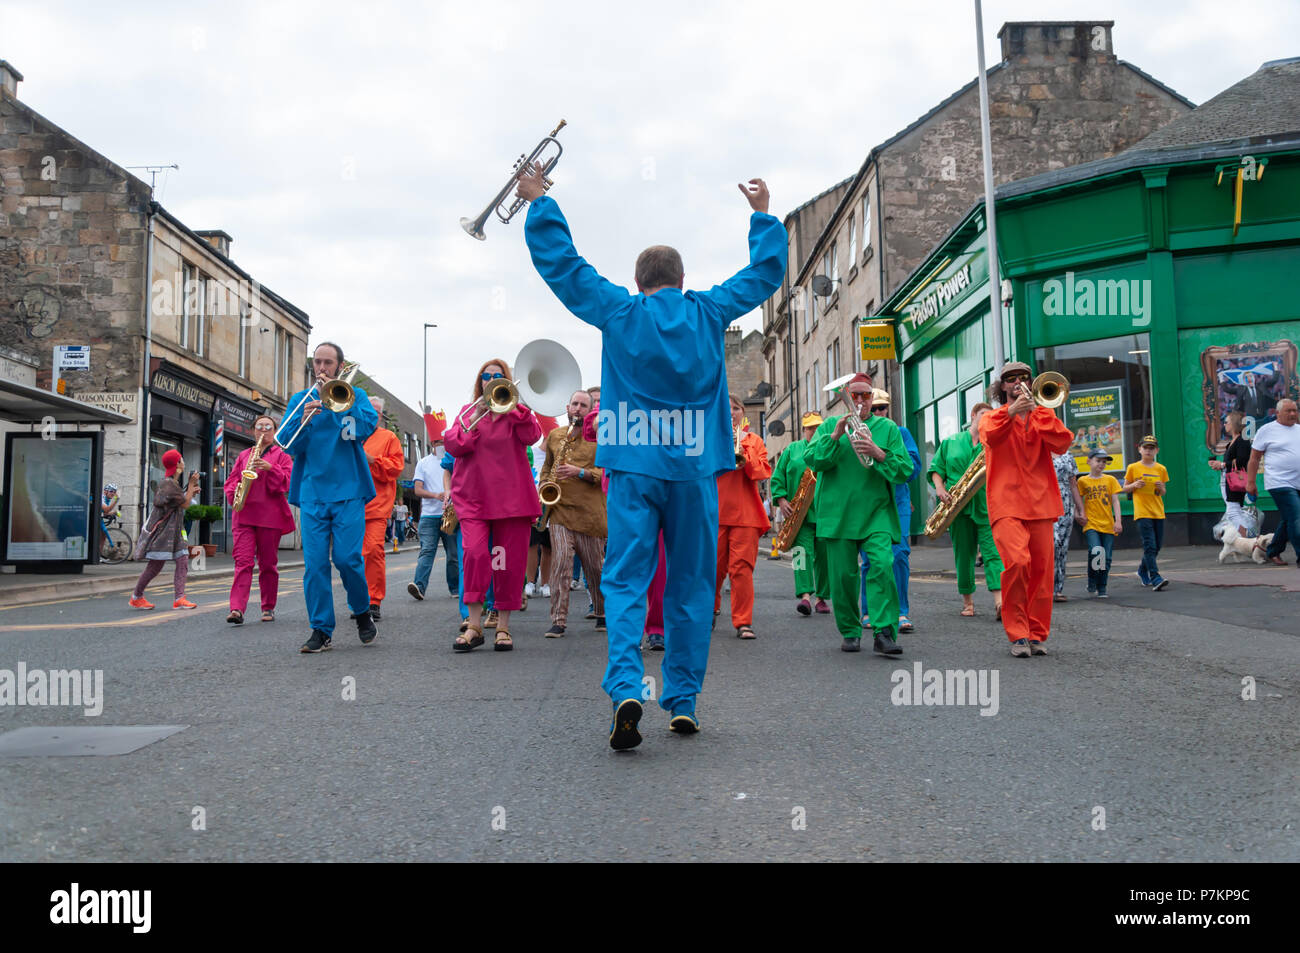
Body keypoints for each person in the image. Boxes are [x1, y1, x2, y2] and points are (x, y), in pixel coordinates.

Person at [521, 168, 786, 748]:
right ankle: (683, 698)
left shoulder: (620, 312)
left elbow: (566, 268)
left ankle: (625, 688)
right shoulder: (708, 311)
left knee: (625, 581)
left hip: (634, 467)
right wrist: (762, 214)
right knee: (691, 584)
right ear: (681, 279)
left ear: (638, 283)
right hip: (694, 469)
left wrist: (542, 204)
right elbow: (764, 275)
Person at [280, 341, 379, 653]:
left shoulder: (356, 396)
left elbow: (360, 431)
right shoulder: (300, 400)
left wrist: (340, 404)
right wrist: (303, 420)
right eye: (317, 363)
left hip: (348, 491)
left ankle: (362, 611)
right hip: (312, 493)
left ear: (339, 366)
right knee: (315, 564)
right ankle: (321, 629)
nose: (321, 368)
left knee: (348, 559)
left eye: (327, 363)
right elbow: (287, 443)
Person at [808, 372, 914, 655]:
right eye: (853, 395)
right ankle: (850, 631)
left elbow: (905, 470)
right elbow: (813, 460)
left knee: (881, 565)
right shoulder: (830, 425)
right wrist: (834, 436)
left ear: (872, 397)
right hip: (837, 513)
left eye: (865, 395)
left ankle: (883, 632)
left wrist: (879, 453)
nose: (859, 400)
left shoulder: (888, 428)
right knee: (843, 577)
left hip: (875, 513)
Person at [444, 357, 542, 653]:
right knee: (474, 554)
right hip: (474, 499)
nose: (490, 379)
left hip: (511, 503)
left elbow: (533, 436)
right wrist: (477, 417)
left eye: (497, 375)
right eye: (485, 375)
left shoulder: (516, 412)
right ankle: (474, 625)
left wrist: (518, 409)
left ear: (507, 381)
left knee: (508, 563)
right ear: (480, 381)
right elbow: (454, 445)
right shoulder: (468, 412)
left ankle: (503, 627)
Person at [979, 362, 1074, 657]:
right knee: (1018, 563)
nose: (1017, 383)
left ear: (1031, 384)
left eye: (1023, 379)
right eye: (1010, 379)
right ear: (1002, 387)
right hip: (1006, 503)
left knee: (1042, 572)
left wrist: (1034, 412)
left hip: (1041, 503)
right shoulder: (992, 417)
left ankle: (1035, 634)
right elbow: (989, 437)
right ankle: (1017, 634)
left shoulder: (1044, 413)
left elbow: (1062, 442)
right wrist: (1012, 412)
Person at [927, 401, 1003, 618]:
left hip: (986, 505)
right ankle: (968, 603)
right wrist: (940, 489)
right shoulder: (951, 441)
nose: (987, 420)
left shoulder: (993, 443)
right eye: (984, 416)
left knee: (993, 554)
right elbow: (936, 469)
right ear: (973, 415)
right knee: (964, 556)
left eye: (991, 417)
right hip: (956, 506)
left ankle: (1000, 603)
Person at [541, 389, 607, 637]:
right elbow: (547, 468)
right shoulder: (556, 436)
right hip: (559, 511)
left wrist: (579, 472)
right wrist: (543, 487)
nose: (578, 408)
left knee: (595, 569)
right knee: (560, 566)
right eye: (574, 404)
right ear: (567, 408)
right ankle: (558, 620)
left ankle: (601, 612)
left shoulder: (600, 437)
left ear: (591, 411)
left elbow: (605, 475)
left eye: (583, 405)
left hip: (591, 514)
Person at [860, 389, 922, 631]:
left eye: (882, 407)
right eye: (874, 408)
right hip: (870, 503)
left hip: (897, 501)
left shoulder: (900, 432)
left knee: (899, 555)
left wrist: (882, 453)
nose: (878, 412)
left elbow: (914, 468)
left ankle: (900, 611)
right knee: (870, 559)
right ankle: (868, 611)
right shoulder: (856, 433)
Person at [223, 416, 295, 623]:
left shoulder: (282, 456)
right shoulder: (244, 455)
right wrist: (235, 494)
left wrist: (270, 468)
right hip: (244, 514)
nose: (263, 430)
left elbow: (287, 483)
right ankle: (237, 609)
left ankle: (268, 607)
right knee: (243, 562)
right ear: (253, 431)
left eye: (268, 427)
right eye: (259, 427)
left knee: (268, 564)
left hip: (269, 517)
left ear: (274, 432)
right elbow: (231, 480)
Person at [714, 395, 772, 639]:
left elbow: (762, 472)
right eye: (726, 409)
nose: (731, 413)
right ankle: (710, 611)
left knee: (742, 569)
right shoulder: (710, 438)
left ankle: (742, 622)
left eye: (736, 409)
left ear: (743, 413)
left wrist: (744, 454)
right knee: (712, 569)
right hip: (714, 512)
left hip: (746, 514)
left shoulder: (754, 440)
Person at [771, 412, 831, 616]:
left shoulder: (828, 448)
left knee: (824, 558)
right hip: (798, 514)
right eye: (810, 428)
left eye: (817, 427)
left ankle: (822, 598)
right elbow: (777, 475)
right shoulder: (791, 450)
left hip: (824, 513)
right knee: (800, 555)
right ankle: (805, 596)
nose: (814, 431)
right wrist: (781, 499)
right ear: (803, 429)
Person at [130, 449, 201, 610]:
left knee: (182, 560)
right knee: (155, 566)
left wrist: (189, 491)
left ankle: (179, 598)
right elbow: (184, 504)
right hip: (163, 532)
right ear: (177, 464)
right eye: (181, 460)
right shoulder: (168, 484)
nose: (183, 462)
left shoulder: (171, 484)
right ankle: (137, 596)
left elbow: (178, 501)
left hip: (173, 531)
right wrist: (190, 485)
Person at [361, 396, 404, 621]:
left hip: (377, 505)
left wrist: (372, 460)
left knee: (373, 550)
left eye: (375, 413)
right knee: (350, 556)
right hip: (349, 504)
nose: (370, 416)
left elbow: (396, 468)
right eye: (367, 411)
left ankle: (373, 600)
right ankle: (360, 600)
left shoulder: (389, 437)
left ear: (381, 416)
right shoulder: (351, 434)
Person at [408, 423, 459, 600]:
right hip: (429, 516)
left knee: (453, 554)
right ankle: (419, 587)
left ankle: (455, 588)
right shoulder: (423, 463)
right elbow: (417, 490)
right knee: (427, 550)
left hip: (449, 513)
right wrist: (435, 495)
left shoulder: (453, 459)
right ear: (432, 442)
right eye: (437, 441)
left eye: (443, 441)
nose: (441, 445)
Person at [1248, 398, 1300, 567]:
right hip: (1279, 483)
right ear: (1277, 413)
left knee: (1290, 518)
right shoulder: (1267, 430)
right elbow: (1254, 458)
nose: (1293, 414)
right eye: (1288, 411)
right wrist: (1251, 482)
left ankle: (1273, 551)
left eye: (1295, 410)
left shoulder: (1299, 429)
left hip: (1298, 482)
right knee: (1297, 518)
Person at [1123, 435, 1171, 591]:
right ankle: (1155, 577)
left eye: (1151, 448)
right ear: (1139, 449)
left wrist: (1161, 488)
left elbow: (1163, 492)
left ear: (1156, 450)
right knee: (1149, 545)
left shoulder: (1161, 469)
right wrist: (1135, 485)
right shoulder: (1133, 467)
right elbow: (1124, 488)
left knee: (1156, 547)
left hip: (1158, 511)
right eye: (1145, 448)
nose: (1148, 451)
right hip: (1142, 512)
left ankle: (1142, 570)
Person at [1076, 450, 1122, 597]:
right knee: (1097, 552)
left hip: (1108, 524)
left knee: (1106, 557)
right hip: (1091, 524)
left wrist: (1118, 521)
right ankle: (1092, 580)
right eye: (1098, 460)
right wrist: (1078, 514)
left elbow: (1115, 501)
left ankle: (1101, 586)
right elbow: (1078, 501)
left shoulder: (1110, 480)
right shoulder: (1082, 481)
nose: (1101, 464)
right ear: (1089, 461)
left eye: (1104, 461)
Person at [1209, 411, 1255, 537]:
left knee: (1233, 512)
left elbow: (1243, 460)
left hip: (1235, 480)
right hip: (1227, 480)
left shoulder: (1242, 441)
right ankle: (1247, 540)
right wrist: (1219, 466)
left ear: (1234, 423)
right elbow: (1232, 462)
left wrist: (1223, 465)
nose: (1224, 425)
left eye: (1226, 422)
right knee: (1235, 511)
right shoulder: (1232, 442)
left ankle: (1249, 539)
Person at [1052, 451, 1082, 602]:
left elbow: (1073, 484)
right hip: (1046, 501)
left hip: (1066, 504)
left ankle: (1058, 589)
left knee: (1062, 547)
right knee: (1053, 543)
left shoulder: (1068, 456)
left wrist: (1080, 508)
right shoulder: (1039, 451)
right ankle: (1044, 586)